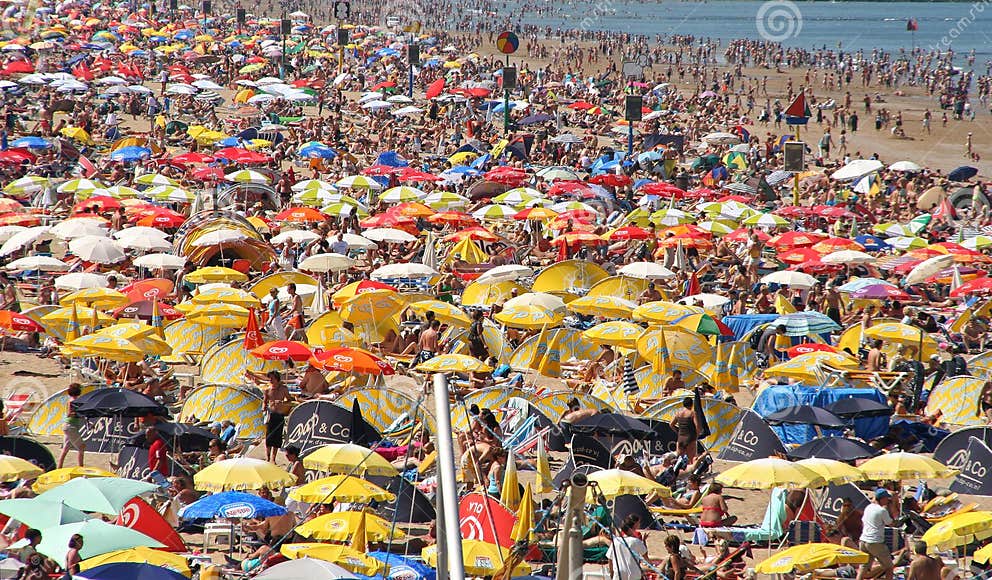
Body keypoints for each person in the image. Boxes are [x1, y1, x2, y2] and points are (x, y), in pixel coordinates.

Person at [857, 488, 895, 580]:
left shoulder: (868, 507)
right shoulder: (882, 510)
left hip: (863, 540)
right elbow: (891, 523)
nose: (888, 500)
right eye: (886, 498)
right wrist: (888, 508)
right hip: (875, 542)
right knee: (889, 567)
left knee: (864, 566)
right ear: (882, 499)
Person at [605, 516, 649, 580]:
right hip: (633, 575)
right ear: (635, 525)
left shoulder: (616, 541)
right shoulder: (636, 541)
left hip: (619, 573)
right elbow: (645, 556)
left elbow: (610, 559)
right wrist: (644, 541)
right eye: (639, 523)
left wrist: (612, 573)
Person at [57, 383, 84, 468]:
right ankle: (81, 467)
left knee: (66, 448)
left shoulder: (71, 400)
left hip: (68, 425)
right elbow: (69, 413)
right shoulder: (74, 401)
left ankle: (59, 467)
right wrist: (79, 413)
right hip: (71, 426)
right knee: (81, 447)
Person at [671, 397, 699, 462]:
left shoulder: (678, 413)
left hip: (680, 438)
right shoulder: (692, 413)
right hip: (690, 438)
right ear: (692, 404)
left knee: (679, 460)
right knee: (691, 460)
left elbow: (671, 424)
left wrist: (677, 431)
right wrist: (696, 436)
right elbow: (697, 426)